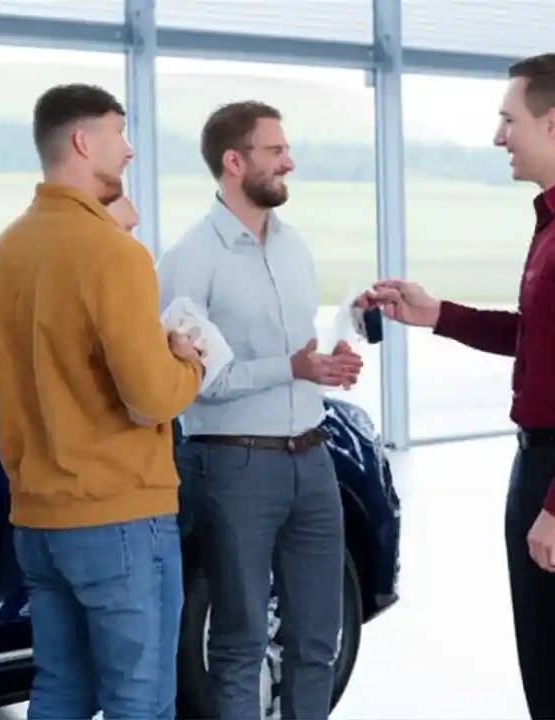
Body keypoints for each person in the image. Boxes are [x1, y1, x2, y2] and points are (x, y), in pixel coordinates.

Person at [359, 52, 555, 719]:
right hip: (552, 465)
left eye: (509, 119)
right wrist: (437, 314)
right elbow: (545, 339)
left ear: (553, 122)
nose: (500, 135)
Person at [0, 83, 204, 719]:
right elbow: (153, 396)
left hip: (38, 519)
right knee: (141, 700)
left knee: (59, 690)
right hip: (118, 517)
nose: (128, 151)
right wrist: (191, 362)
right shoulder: (114, 255)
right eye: (119, 134)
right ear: (82, 141)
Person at [157, 100, 364, 720]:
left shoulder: (295, 247)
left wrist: (331, 359)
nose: (289, 162)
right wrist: (293, 369)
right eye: (275, 152)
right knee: (240, 641)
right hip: (234, 467)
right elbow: (196, 381)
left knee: (315, 641)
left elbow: (300, 350)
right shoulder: (188, 260)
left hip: (312, 458)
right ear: (233, 161)